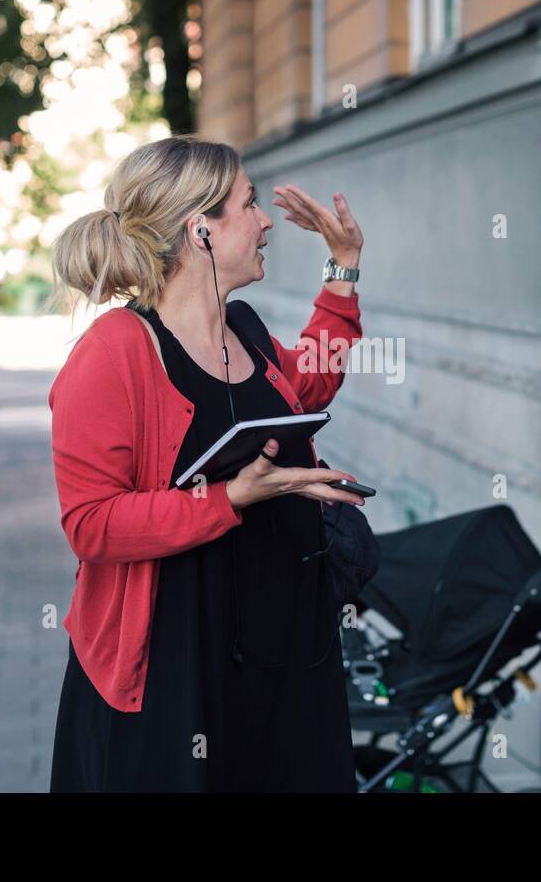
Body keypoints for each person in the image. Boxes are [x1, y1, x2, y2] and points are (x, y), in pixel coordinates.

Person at [46, 135, 368, 792]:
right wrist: (228, 499)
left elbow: (309, 383)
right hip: (179, 663)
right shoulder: (115, 352)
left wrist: (344, 264)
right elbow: (91, 524)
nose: (266, 220)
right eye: (249, 204)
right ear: (201, 231)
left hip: (287, 643)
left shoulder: (244, 331)